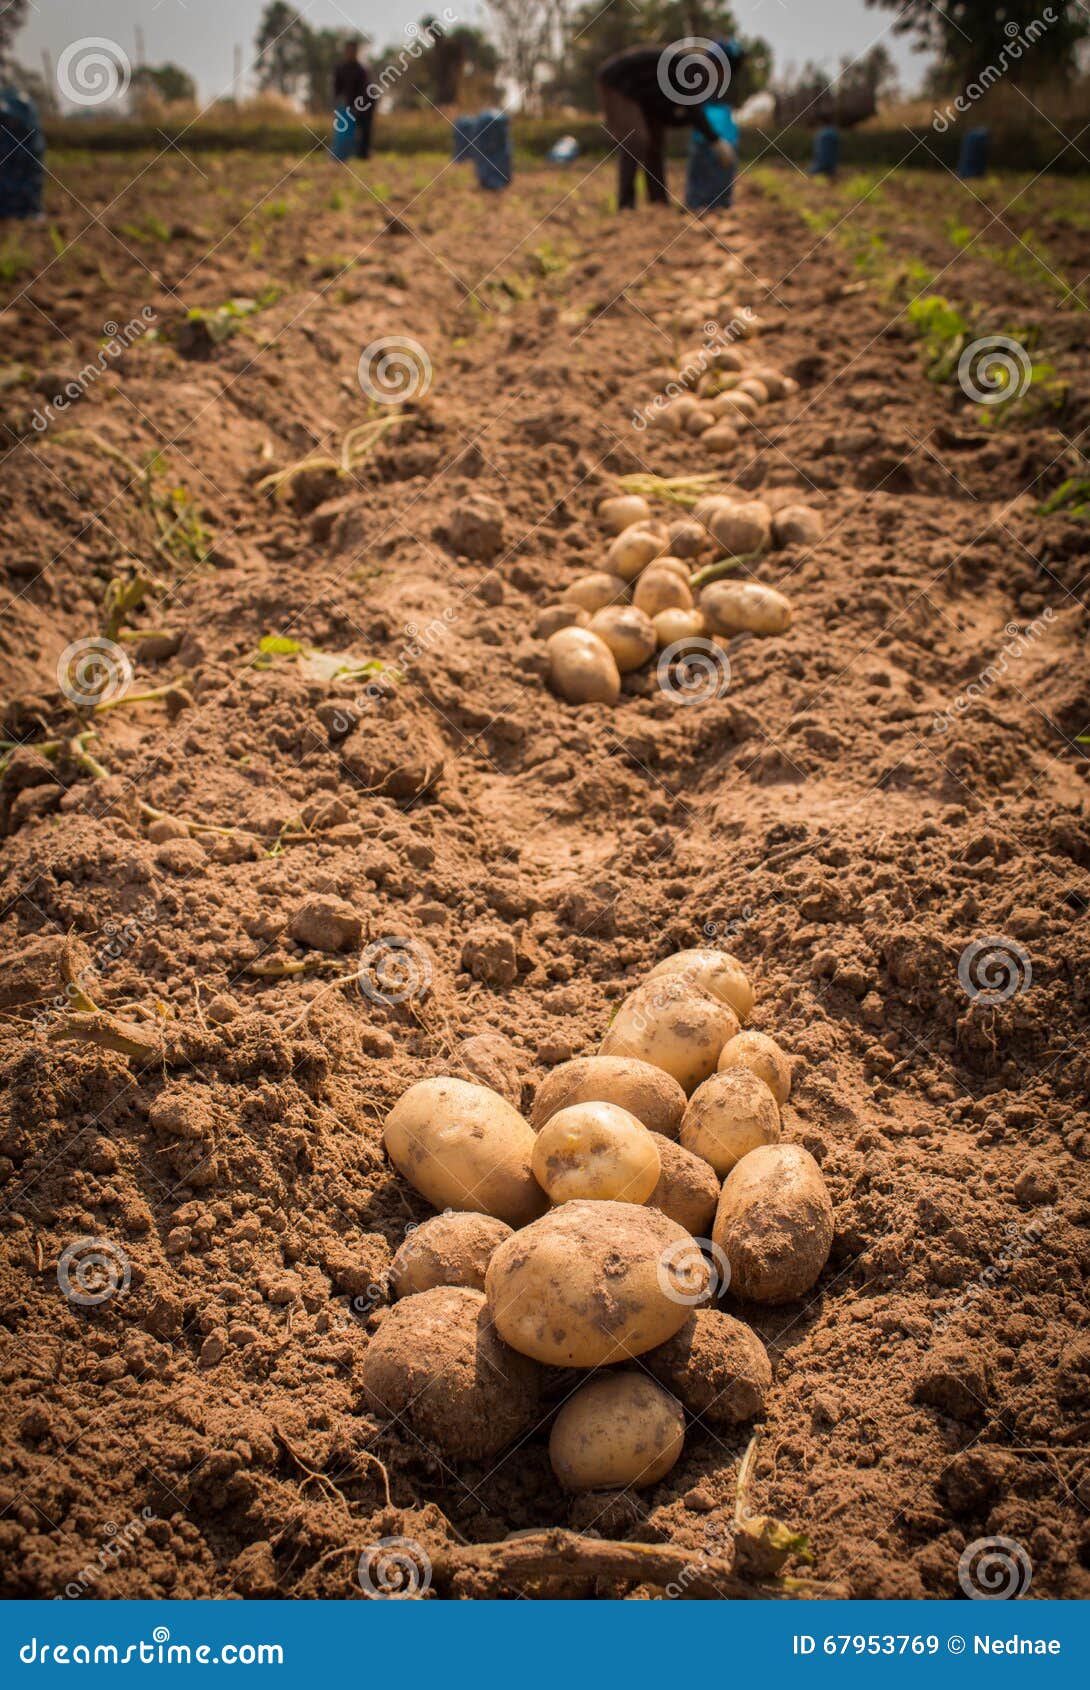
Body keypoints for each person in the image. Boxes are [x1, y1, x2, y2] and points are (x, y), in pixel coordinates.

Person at [597, 39, 743, 212]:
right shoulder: (694, 70)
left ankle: (658, 203)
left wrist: (691, 121)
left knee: (656, 142)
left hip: (644, 99)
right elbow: (692, 109)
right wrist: (715, 140)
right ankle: (626, 206)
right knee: (635, 140)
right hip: (618, 83)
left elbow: (669, 114)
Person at [332, 38, 376, 161]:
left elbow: (366, 90)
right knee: (344, 131)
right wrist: (337, 103)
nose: (351, 53)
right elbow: (337, 89)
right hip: (348, 105)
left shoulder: (361, 70)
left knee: (364, 129)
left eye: (353, 50)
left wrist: (359, 106)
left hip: (365, 103)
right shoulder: (341, 68)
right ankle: (341, 155)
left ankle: (363, 154)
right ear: (345, 51)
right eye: (349, 50)